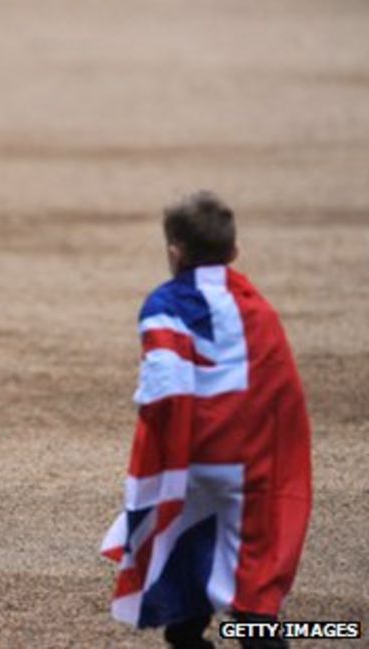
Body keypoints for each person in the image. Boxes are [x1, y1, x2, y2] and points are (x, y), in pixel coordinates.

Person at [100, 191, 312, 648]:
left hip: (195, 459)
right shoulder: (256, 305)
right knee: (251, 585)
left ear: (175, 252)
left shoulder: (166, 303)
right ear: (234, 251)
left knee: (186, 549)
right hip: (256, 467)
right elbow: (281, 389)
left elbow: (164, 389)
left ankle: (188, 635)